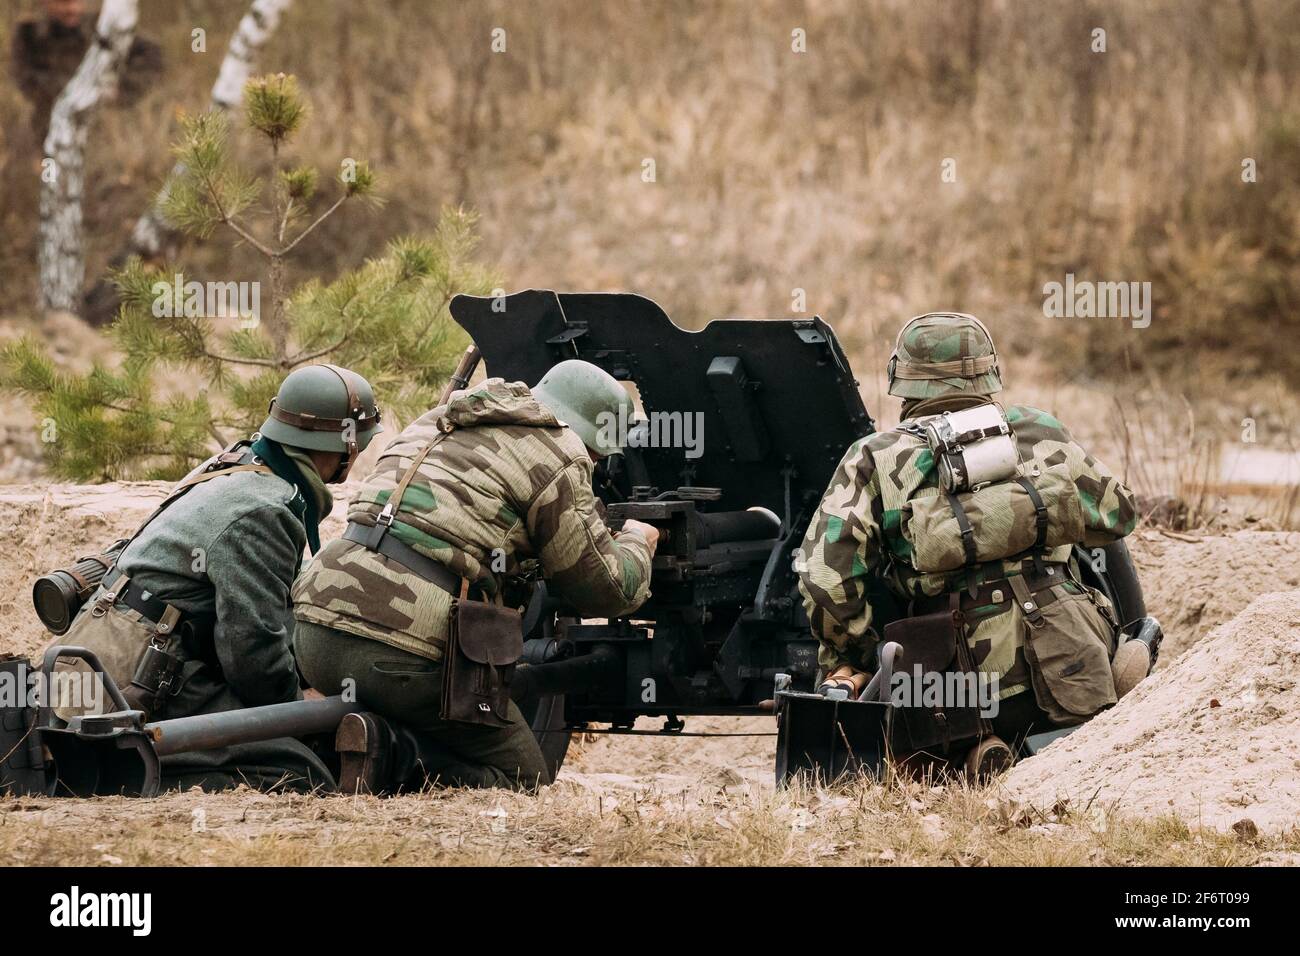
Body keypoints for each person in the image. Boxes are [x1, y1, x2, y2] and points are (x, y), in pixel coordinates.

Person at [797, 312, 1144, 778]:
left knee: (930, 763)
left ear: (902, 379)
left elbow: (825, 579)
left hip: (949, 690)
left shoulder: (874, 457)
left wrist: (855, 660)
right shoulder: (1038, 429)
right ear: (990, 372)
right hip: (1073, 667)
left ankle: (977, 755)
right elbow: (1119, 513)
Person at [292, 359, 661, 793]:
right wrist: (639, 540)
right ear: (589, 436)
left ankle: (337, 751)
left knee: (412, 704)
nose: (596, 464)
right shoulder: (560, 449)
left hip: (314, 626)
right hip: (400, 649)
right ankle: (387, 754)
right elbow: (607, 590)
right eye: (600, 455)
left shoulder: (439, 417)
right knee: (523, 776)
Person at [51, 364, 381, 791]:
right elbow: (251, 652)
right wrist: (299, 707)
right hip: (143, 676)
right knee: (298, 772)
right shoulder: (266, 509)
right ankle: (120, 774)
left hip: (109, 650)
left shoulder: (242, 462)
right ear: (346, 445)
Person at [11, 0, 163, 142]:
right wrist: (82, 92)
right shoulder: (29, 35)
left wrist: (120, 89)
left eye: (76, 1)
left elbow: (151, 55)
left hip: (103, 134)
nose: (72, 9)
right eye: (63, 2)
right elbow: (28, 82)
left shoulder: (100, 26)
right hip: (48, 132)